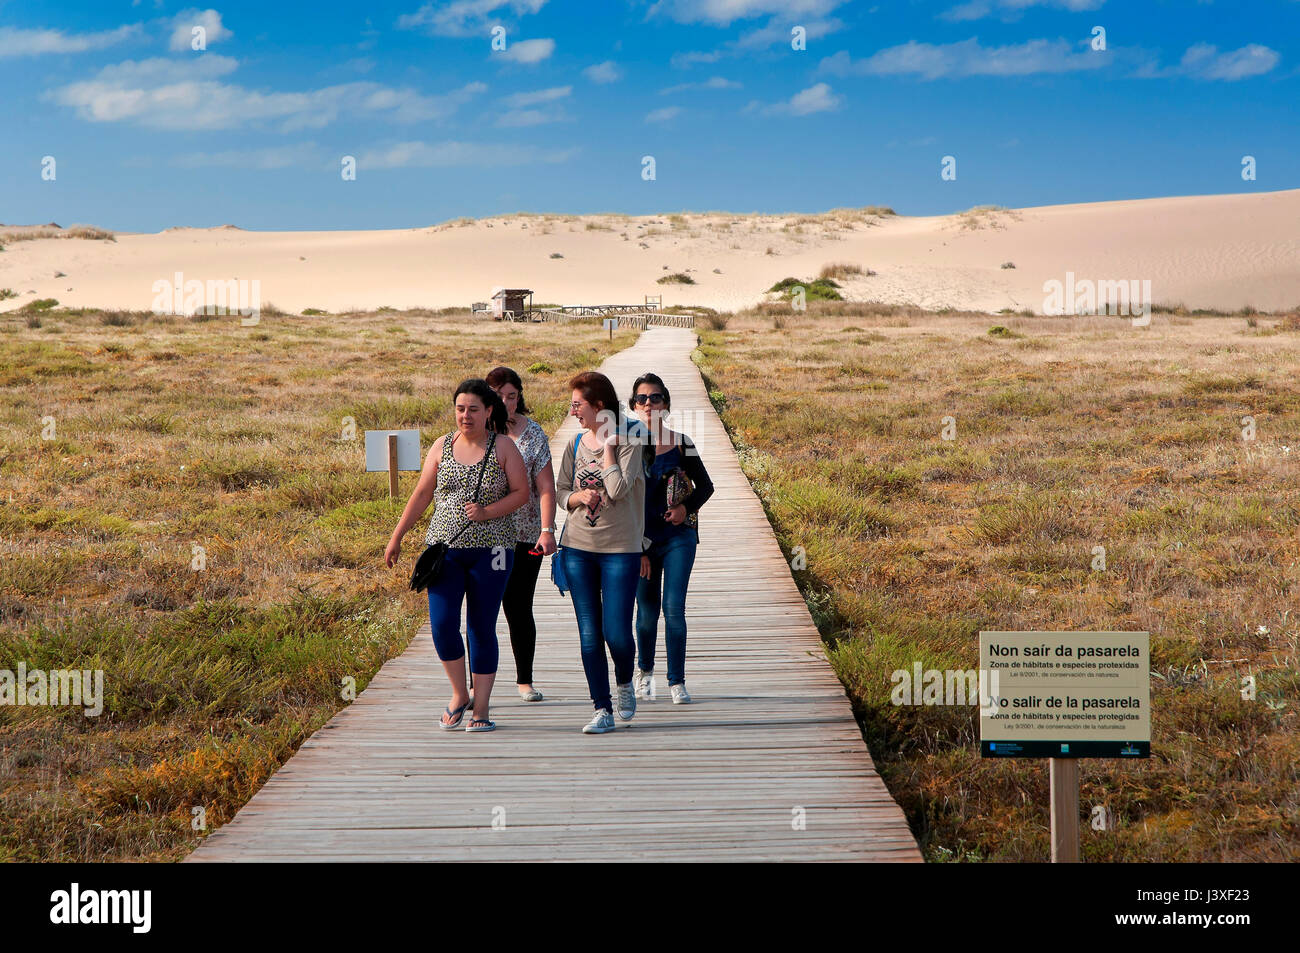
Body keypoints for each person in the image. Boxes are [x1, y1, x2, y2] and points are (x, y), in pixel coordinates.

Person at [385, 379, 529, 733]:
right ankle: (458, 694)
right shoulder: (441, 446)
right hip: (443, 550)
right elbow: (422, 493)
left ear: (489, 411)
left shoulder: (504, 447)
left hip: (493, 550)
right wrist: (397, 536)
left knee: (480, 626)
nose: (466, 416)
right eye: (460, 409)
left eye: (473, 409)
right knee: (442, 624)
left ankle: (481, 709)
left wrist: (487, 511)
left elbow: (522, 493)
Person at [556, 371, 652, 734]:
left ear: (599, 405)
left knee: (616, 633)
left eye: (577, 404)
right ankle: (602, 708)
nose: (573, 411)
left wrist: (609, 446)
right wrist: (577, 497)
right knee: (589, 634)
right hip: (578, 548)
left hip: (621, 550)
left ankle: (625, 681)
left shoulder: (630, 441)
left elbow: (618, 489)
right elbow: (561, 489)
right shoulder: (574, 443)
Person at [630, 373, 714, 704]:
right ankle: (645, 673)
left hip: (679, 537)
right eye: (642, 399)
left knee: (673, 608)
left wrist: (684, 508)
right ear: (633, 405)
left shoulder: (682, 443)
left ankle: (676, 681)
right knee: (647, 612)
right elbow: (621, 501)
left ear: (666, 403)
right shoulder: (627, 446)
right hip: (642, 543)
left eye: (655, 397)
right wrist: (637, 548)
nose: (649, 404)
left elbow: (706, 486)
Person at [486, 366, 557, 702]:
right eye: (499, 396)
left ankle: (524, 681)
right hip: (485, 536)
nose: (505, 402)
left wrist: (547, 529)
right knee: (483, 607)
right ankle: (475, 685)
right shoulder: (476, 432)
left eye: (511, 396)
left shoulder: (533, 435)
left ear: (519, 397)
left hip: (526, 534)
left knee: (518, 606)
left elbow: (546, 487)